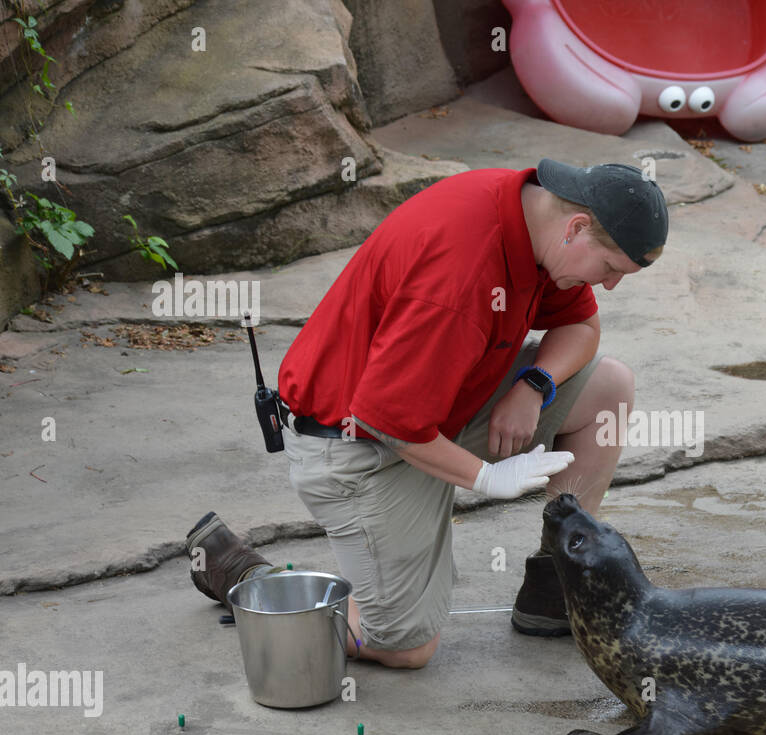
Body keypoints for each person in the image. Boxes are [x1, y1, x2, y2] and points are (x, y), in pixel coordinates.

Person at [187, 159, 668, 669]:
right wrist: (485, 477)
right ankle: (252, 581)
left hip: (437, 410)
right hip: (359, 448)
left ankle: (556, 587)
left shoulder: (534, 220)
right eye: (611, 269)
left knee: (606, 385)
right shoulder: (459, 276)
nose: (610, 286)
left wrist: (534, 384)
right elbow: (389, 421)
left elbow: (582, 329)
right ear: (576, 228)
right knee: (404, 644)